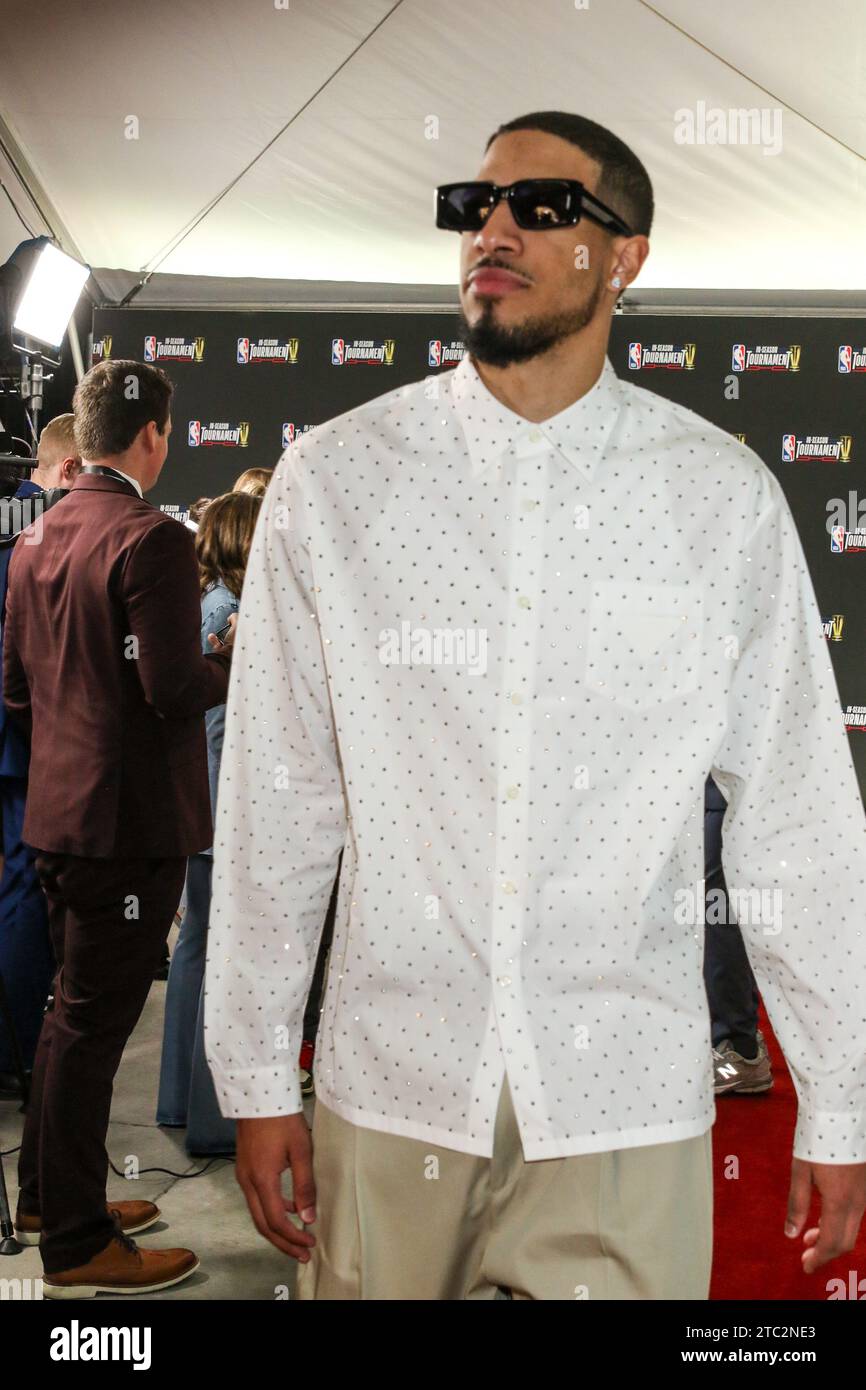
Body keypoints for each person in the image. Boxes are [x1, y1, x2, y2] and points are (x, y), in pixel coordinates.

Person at [205, 110, 866, 1300]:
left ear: (624, 256)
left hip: (620, 1094)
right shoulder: (334, 483)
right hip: (390, 1083)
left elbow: (796, 816)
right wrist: (254, 1074)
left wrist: (838, 1091)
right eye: (474, 206)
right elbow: (280, 799)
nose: (491, 229)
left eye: (540, 206)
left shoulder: (719, 500)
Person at [4, 359, 235, 1298]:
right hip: (126, 827)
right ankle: (75, 1242)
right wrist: (236, 659)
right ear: (153, 436)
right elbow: (173, 689)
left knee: (70, 1022)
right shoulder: (149, 538)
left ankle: (50, 1201)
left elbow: (17, 691)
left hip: (56, 816)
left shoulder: (38, 537)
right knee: (91, 1032)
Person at [157, 491, 261, 1154]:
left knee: (196, 947)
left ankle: (180, 1102)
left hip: (201, 805)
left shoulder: (206, 607)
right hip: (222, 811)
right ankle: (213, 1120)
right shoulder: (229, 614)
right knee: (215, 954)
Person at [0, 415, 81, 1091]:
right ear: (68, 468)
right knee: (26, 891)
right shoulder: (37, 534)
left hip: (16, 736)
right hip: (19, 741)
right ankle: (26, 1054)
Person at [704, 773, 773, 1095]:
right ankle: (735, 1042)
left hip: (719, 793)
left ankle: (738, 1048)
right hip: (711, 795)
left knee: (716, 917)